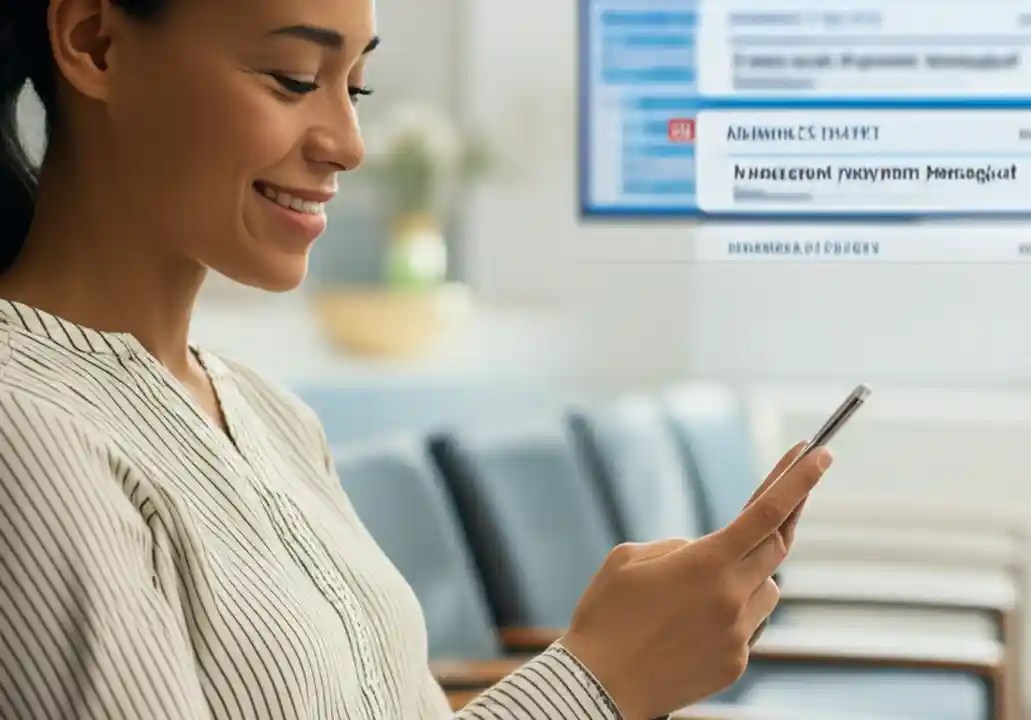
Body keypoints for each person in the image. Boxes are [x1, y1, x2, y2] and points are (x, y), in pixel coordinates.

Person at [0, 1, 835, 718]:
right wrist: (597, 681)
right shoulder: (27, 432)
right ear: (94, 42)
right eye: (294, 77)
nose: (348, 142)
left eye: (355, 86)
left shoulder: (270, 416)